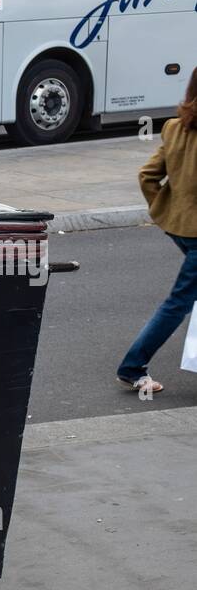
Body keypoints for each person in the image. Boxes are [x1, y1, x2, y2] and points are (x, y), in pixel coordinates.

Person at [116, 67, 197, 395]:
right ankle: (132, 366)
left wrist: (163, 209)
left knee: (184, 298)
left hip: (180, 228)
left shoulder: (175, 128)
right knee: (178, 302)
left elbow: (147, 176)